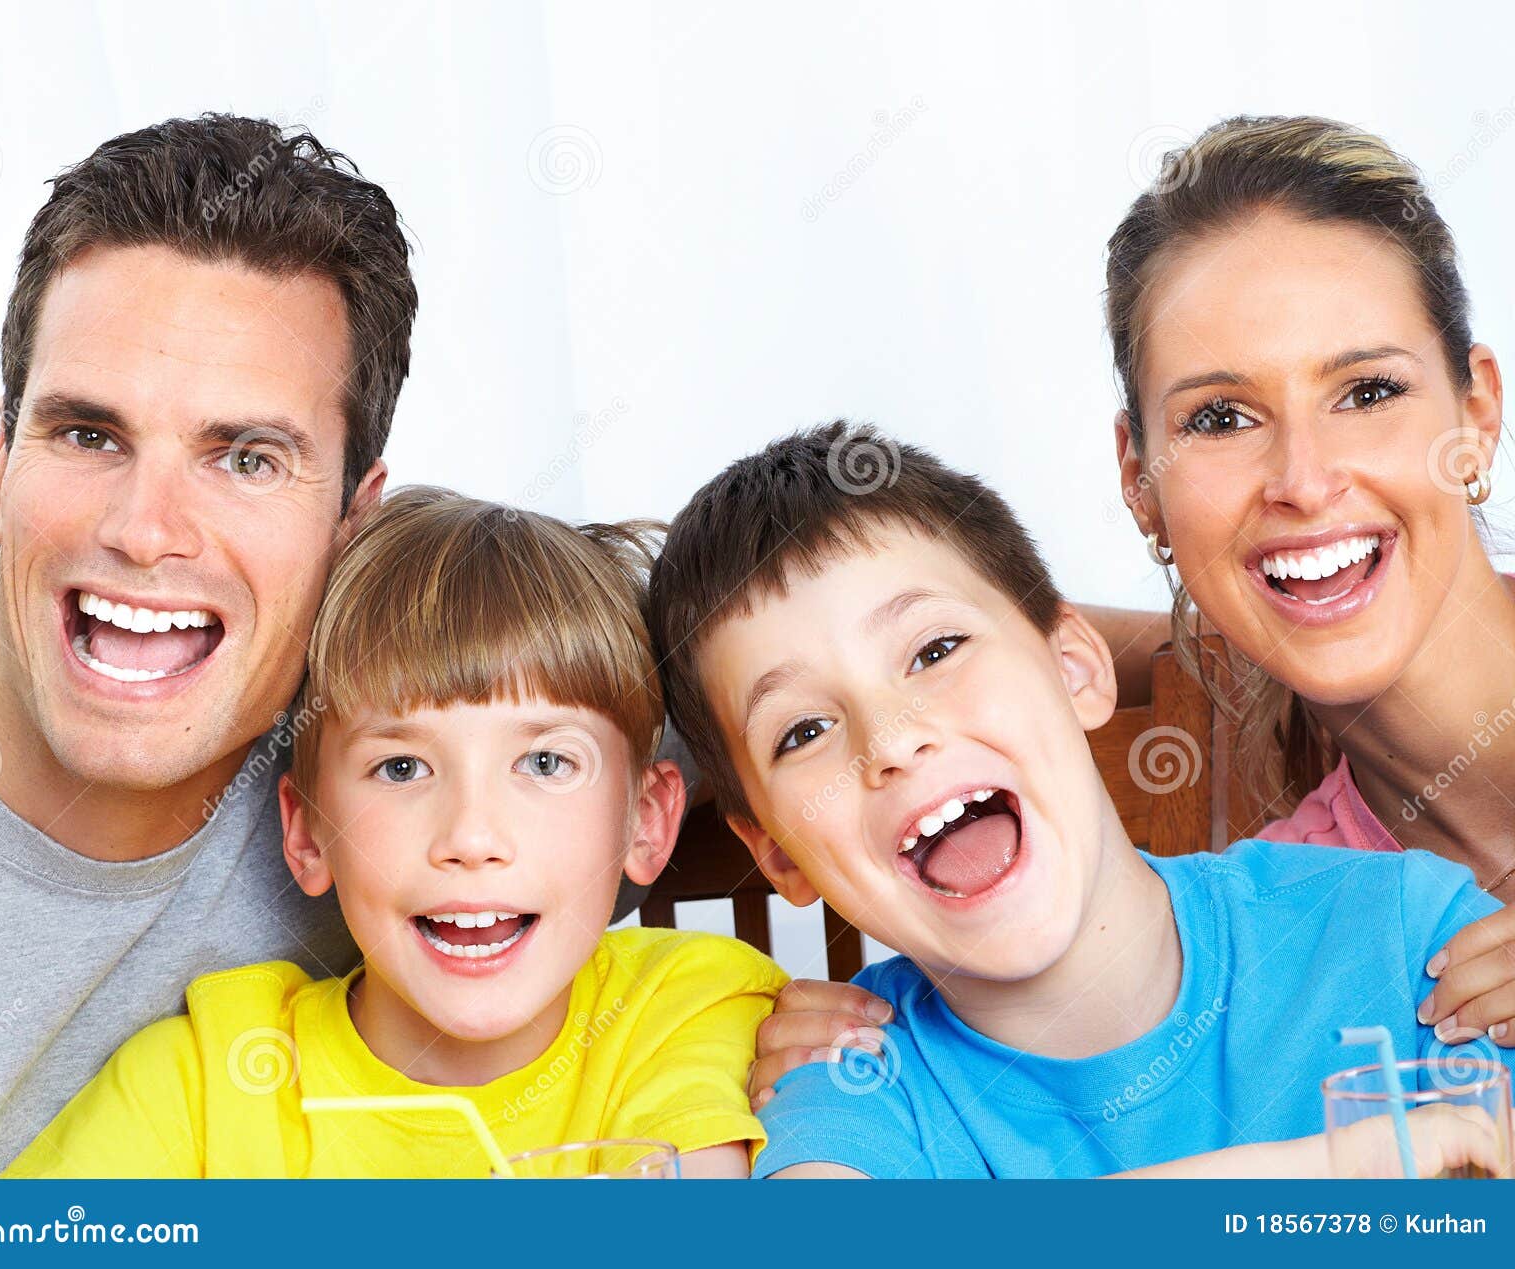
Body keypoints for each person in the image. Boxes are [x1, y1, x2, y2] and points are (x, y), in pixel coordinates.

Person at [751, 115, 1515, 1095]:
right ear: (1137, 477)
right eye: (1220, 418)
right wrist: (864, 1053)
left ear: (1477, 413)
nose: (1304, 480)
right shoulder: (1288, 921)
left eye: (1366, 392)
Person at [646, 421, 1511, 1177]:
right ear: (778, 854)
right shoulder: (851, 1081)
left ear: (1075, 669)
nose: (891, 741)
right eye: (802, 732)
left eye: (935, 649)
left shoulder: (1405, 938)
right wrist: (1330, 1170)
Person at [4, 488, 785, 1178]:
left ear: (645, 820)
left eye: (546, 760)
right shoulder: (208, 1076)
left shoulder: (687, 1006)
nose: (472, 835)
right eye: (403, 768)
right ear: (307, 831)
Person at [0, 113, 417, 1176]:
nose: (144, 530)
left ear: (353, 526)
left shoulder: (425, 783)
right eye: (89, 435)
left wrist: (841, 1045)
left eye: (244, 459)